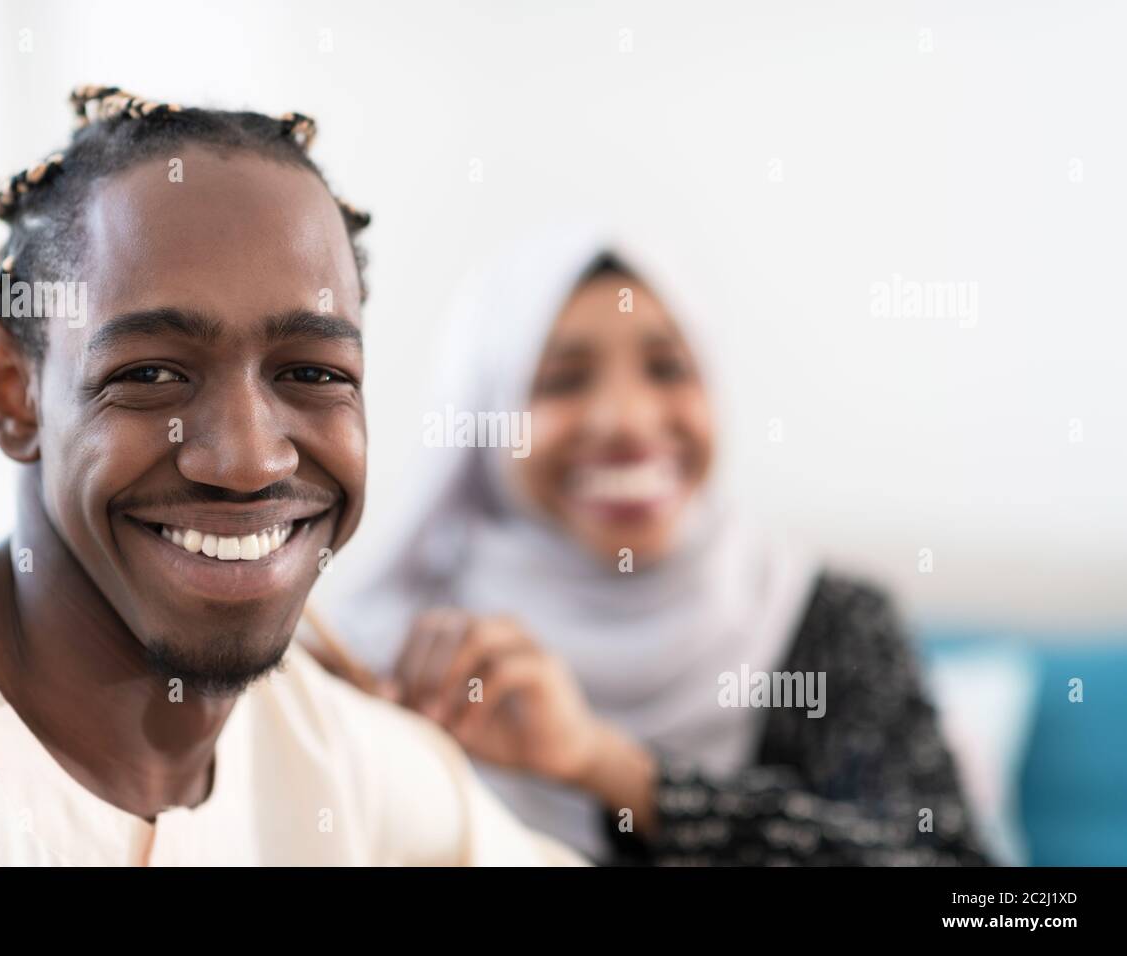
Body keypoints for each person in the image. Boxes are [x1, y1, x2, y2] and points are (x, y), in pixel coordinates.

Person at [0, 86, 581, 866]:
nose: (250, 462)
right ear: (13, 393)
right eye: (152, 372)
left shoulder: (342, 760)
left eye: (312, 373)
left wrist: (605, 766)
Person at [325, 227, 990, 866]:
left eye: (668, 368)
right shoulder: (395, 659)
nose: (628, 421)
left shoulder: (826, 621)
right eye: (564, 379)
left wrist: (607, 766)